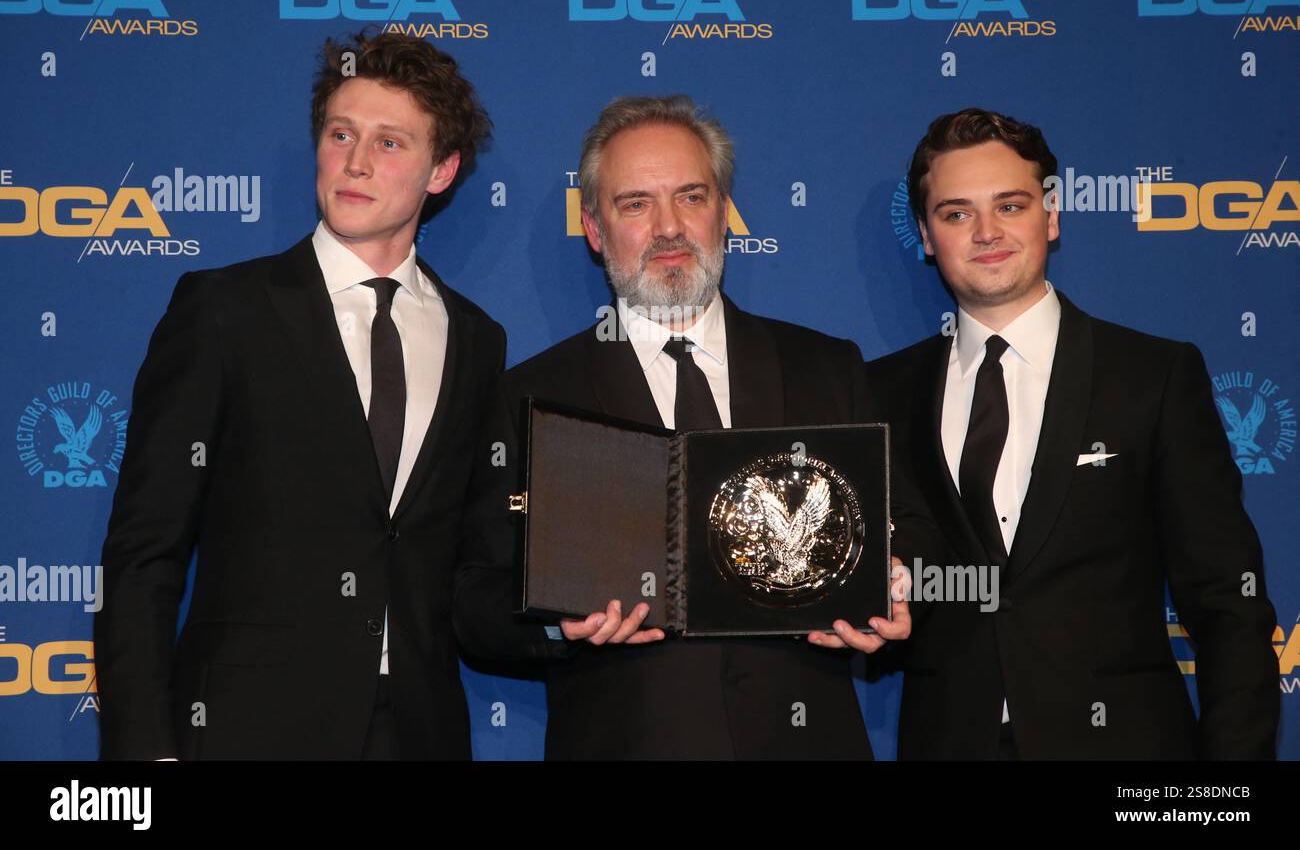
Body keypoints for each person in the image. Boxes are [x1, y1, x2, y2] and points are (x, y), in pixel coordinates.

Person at [454, 95, 918, 759]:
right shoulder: (530, 394)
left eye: (691, 197)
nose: (669, 228)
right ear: (594, 228)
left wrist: (897, 590)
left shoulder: (827, 367)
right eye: (635, 203)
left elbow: (906, 533)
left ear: (723, 211)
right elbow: (476, 603)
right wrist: (561, 625)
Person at [95, 31, 502, 760]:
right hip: (241, 728)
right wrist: (141, 752)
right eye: (341, 133)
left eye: (389, 143)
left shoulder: (477, 339)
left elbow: (465, 560)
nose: (354, 161)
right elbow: (144, 551)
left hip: (418, 731)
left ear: (441, 171)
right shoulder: (225, 309)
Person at [866, 107, 1279, 759]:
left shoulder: (1154, 376)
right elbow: (884, 612)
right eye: (956, 213)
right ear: (925, 233)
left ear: (1051, 216)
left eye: (1010, 205)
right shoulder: (876, 394)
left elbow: (1228, 602)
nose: (986, 232)